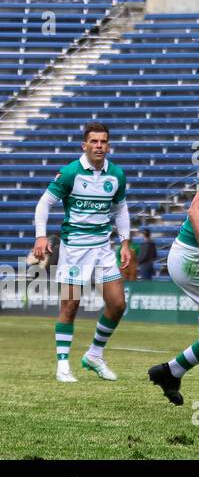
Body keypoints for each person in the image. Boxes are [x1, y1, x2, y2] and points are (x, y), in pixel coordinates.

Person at [32, 122, 133, 382]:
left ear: (108, 145)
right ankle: (63, 364)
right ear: (84, 145)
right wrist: (41, 236)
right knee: (70, 304)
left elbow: (120, 209)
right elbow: (45, 203)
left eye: (103, 142)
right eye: (94, 141)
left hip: (103, 249)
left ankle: (94, 355)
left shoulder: (116, 175)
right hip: (74, 250)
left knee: (118, 303)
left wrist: (124, 242)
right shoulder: (70, 173)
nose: (99, 146)